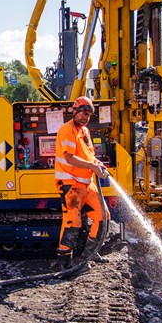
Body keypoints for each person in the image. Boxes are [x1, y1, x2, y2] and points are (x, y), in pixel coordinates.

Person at [54, 95, 110, 266]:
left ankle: (90, 253)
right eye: (82, 113)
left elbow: (89, 155)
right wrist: (93, 167)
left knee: (103, 216)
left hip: (86, 183)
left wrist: (97, 163)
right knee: (72, 222)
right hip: (71, 185)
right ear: (74, 111)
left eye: (88, 114)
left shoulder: (84, 132)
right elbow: (70, 158)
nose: (85, 117)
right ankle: (64, 260)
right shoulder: (66, 129)